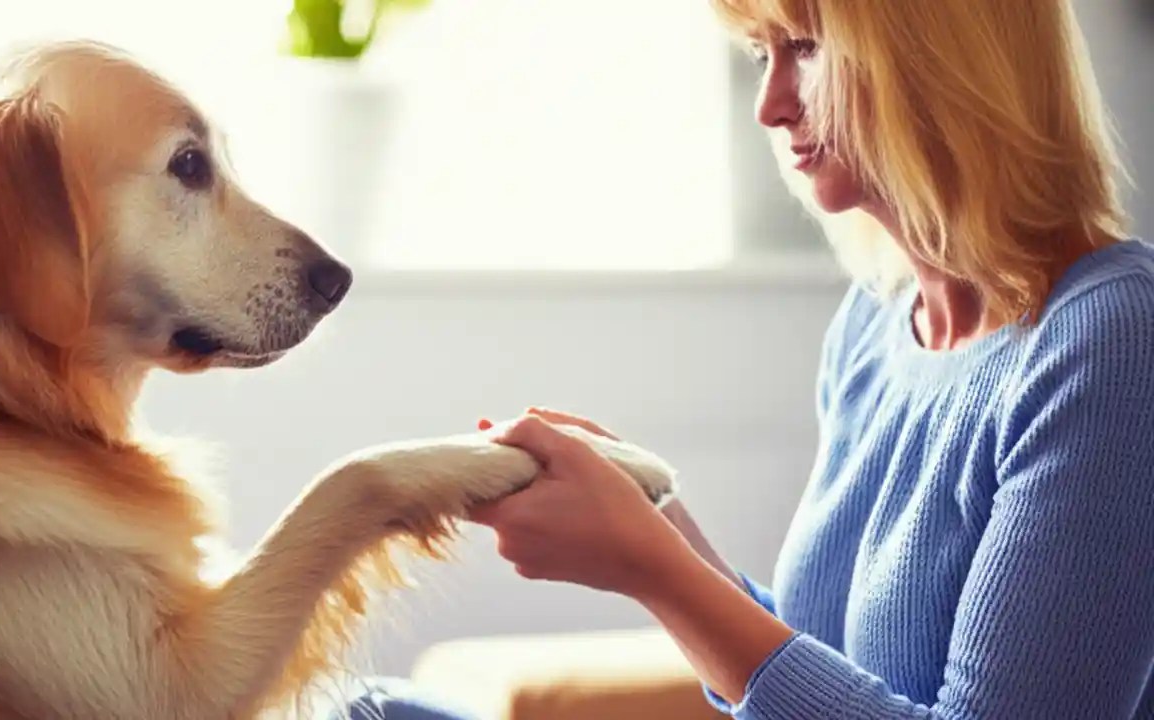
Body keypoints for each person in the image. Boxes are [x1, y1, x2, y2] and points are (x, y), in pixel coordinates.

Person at [338, 0, 1154, 717]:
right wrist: (660, 526)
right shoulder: (873, 325)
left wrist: (655, 570)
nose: (769, 105)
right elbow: (824, 673)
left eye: (804, 46)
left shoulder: (1114, 339)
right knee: (362, 709)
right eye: (763, 55)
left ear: (940, 48)